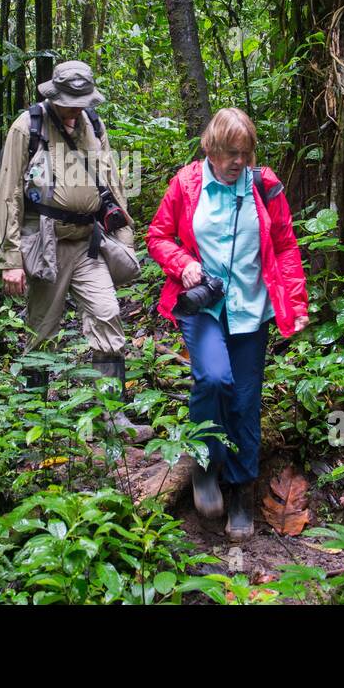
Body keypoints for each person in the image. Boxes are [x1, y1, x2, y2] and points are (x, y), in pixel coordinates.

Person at [147, 108, 308, 541]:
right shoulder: (186, 184)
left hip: (251, 309)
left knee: (244, 400)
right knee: (214, 379)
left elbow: (286, 245)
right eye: (231, 153)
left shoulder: (265, 186)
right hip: (203, 307)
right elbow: (158, 236)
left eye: (246, 152)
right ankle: (204, 464)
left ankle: (239, 490)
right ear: (212, 149)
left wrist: (295, 301)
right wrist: (183, 265)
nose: (239, 161)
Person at [0, 60, 153, 442]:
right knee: (41, 331)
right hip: (46, 242)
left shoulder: (93, 125)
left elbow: (112, 181)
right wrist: (10, 260)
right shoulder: (27, 127)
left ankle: (112, 417)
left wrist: (124, 237)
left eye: (80, 101)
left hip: (89, 242)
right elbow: (9, 194)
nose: (74, 108)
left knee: (108, 315)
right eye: (68, 101)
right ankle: (34, 420)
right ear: (53, 96)